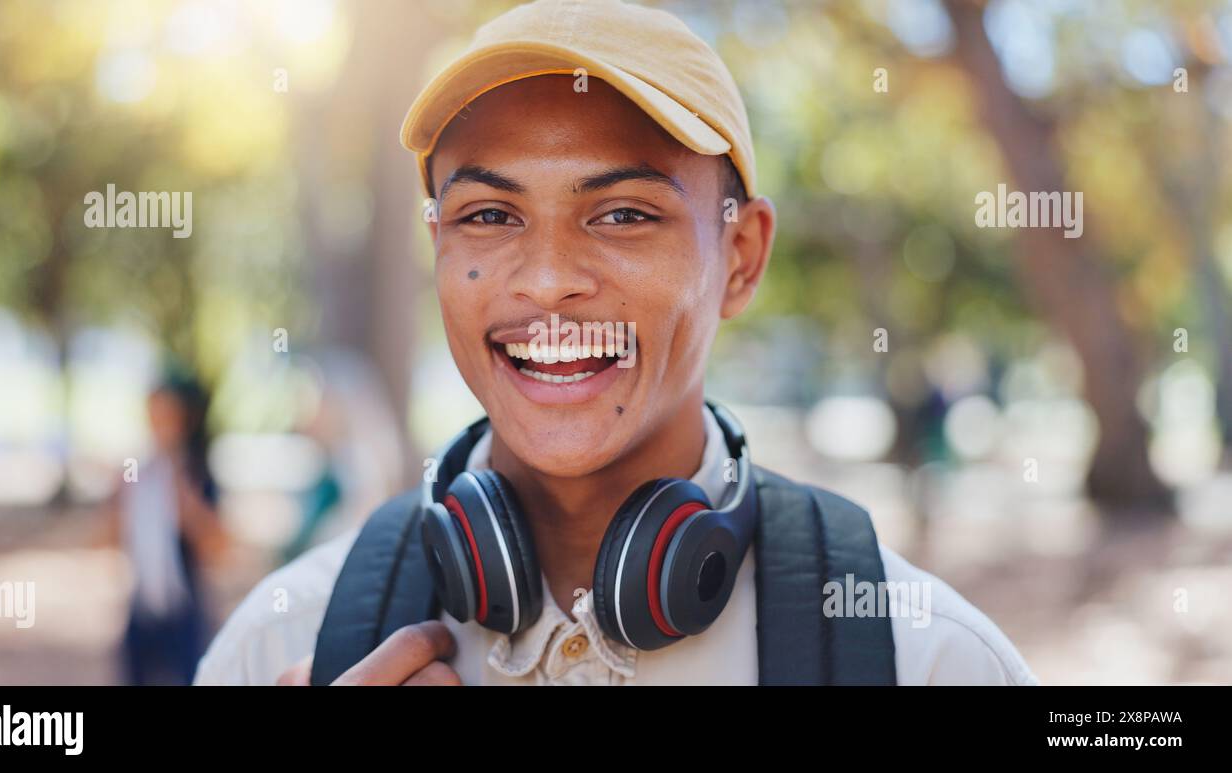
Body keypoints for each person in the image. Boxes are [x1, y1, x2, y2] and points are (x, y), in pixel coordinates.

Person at [196, 0, 1037, 686]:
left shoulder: (926, 658)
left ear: (740, 258)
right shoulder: (281, 640)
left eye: (624, 213)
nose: (548, 279)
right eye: (489, 215)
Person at [101, 371, 226, 685]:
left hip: (185, 607)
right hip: (142, 606)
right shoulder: (138, 474)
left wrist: (185, 500)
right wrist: (117, 500)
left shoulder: (197, 473)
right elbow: (106, 539)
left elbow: (219, 547)